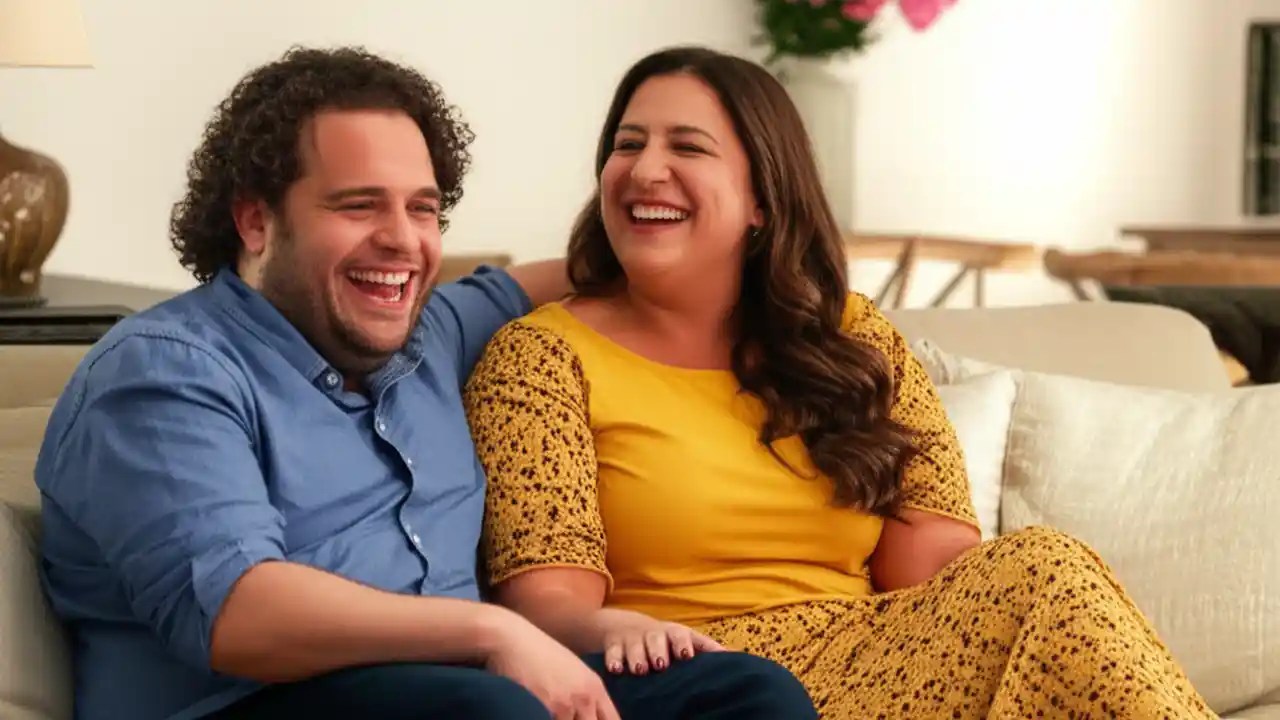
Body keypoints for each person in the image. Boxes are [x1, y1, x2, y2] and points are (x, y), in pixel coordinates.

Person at [34, 46, 818, 720]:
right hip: (252, 702)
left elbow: (594, 267)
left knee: (744, 695)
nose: (402, 242)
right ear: (255, 221)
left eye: (423, 209)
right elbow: (238, 612)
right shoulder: (165, 371)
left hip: (469, 693)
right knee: (488, 710)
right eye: (357, 206)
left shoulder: (431, 335)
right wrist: (494, 632)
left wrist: (766, 282)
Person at [462, 46, 1218, 719]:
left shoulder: (850, 338)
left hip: (873, 662)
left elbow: (935, 571)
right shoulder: (540, 359)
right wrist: (621, 631)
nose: (644, 167)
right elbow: (546, 606)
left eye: (686, 146)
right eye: (628, 144)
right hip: (699, 679)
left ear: (762, 199)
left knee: (1044, 566)